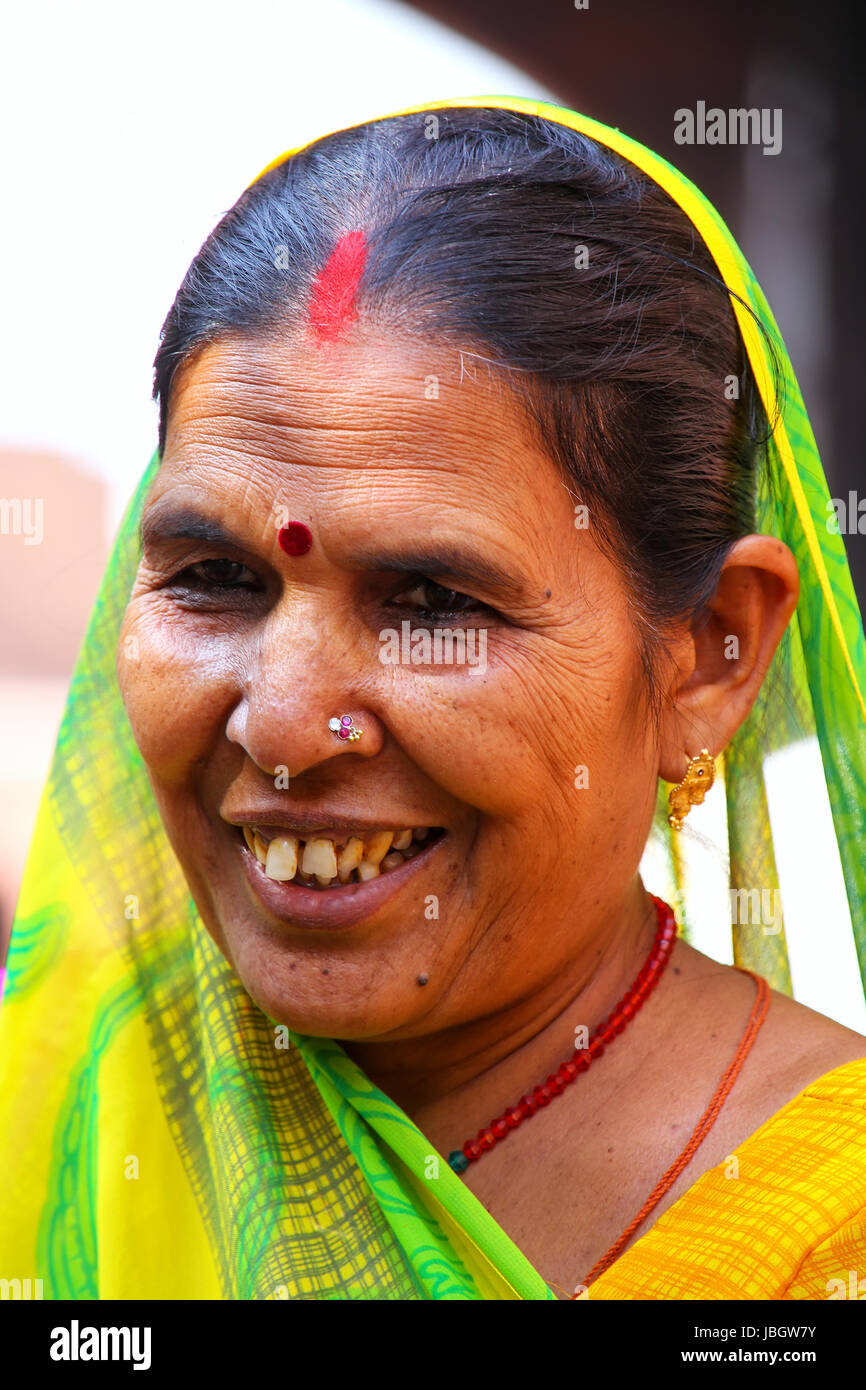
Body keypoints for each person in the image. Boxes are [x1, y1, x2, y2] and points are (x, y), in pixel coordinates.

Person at [1, 95, 865, 1301]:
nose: (286, 726)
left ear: (708, 652)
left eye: (431, 601)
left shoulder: (828, 1244)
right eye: (213, 580)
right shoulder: (56, 1114)